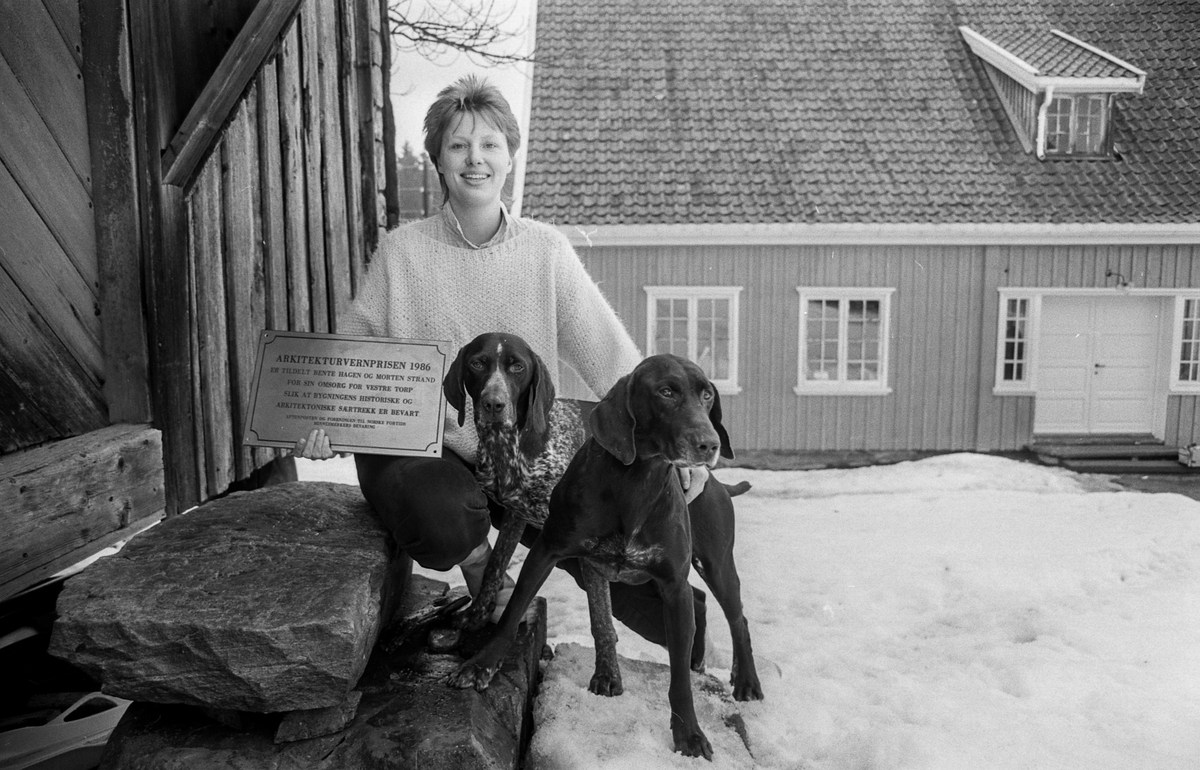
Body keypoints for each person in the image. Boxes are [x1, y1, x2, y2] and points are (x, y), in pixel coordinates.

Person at [295, 74, 709, 648]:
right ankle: (482, 572)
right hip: (430, 450)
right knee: (441, 510)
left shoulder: (546, 251)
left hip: (527, 452)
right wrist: (320, 419)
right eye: (459, 145)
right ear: (438, 158)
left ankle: (700, 649)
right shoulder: (401, 253)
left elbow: (612, 356)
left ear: (510, 158)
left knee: (660, 515)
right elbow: (352, 354)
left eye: (490, 145)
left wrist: (674, 444)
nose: (475, 160)